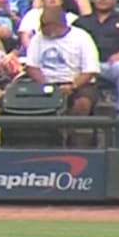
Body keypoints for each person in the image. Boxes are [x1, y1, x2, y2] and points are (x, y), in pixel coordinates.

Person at [26, 8, 103, 145]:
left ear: (58, 25)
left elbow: (90, 70)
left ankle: (69, 135)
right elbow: (32, 67)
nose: (41, 29)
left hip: (77, 83)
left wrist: (73, 86)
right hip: (47, 83)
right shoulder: (38, 39)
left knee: (83, 103)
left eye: (45, 26)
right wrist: (46, 84)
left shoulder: (81, 37)